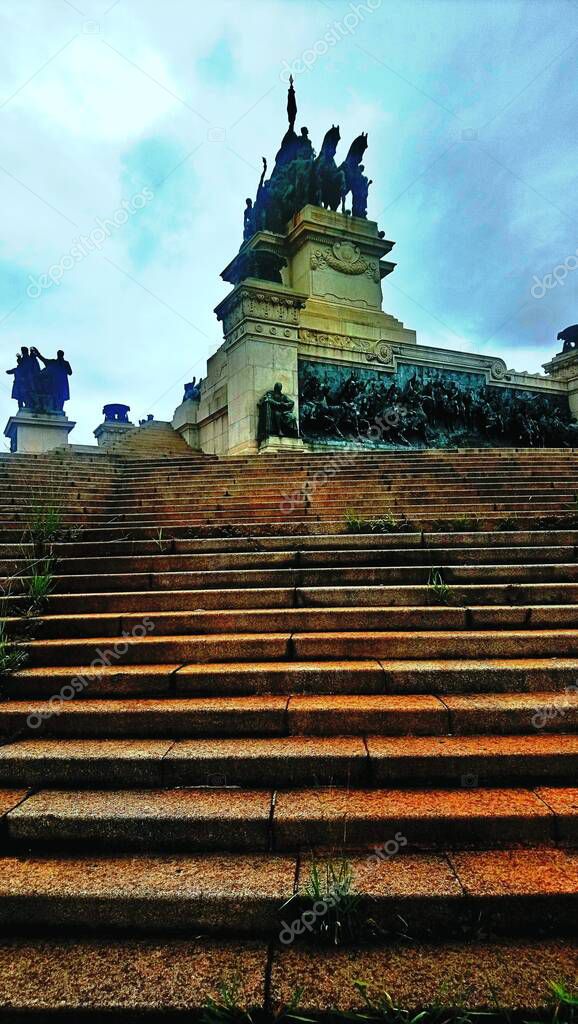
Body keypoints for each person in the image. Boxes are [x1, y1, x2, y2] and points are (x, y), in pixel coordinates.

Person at [31, 347, 72, 412]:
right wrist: (38, 353)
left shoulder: (65, 363)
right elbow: (44, 359)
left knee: (61, 397)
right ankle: (57, 409)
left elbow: (70, 372)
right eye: (59, 354)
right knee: (55, 396)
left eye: (60, 354)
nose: (59, 355)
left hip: (62, 383)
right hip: (55, 382)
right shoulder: (54, 362)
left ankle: (60, 410)